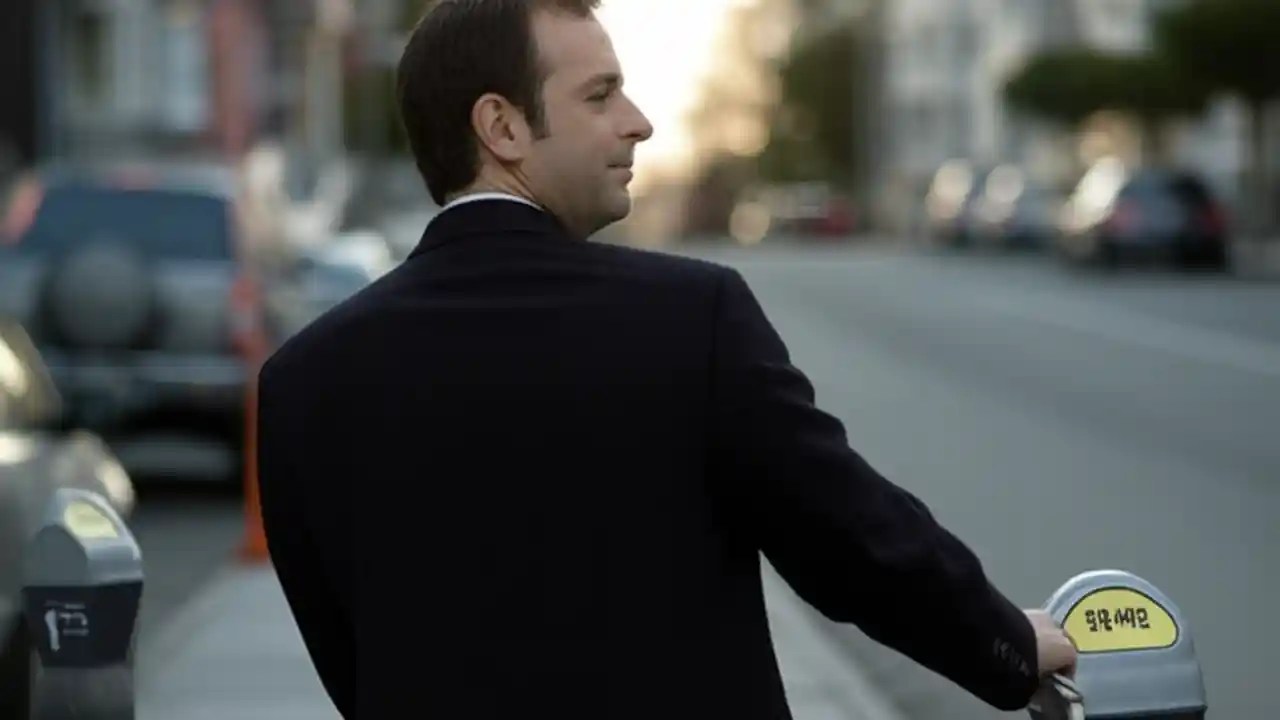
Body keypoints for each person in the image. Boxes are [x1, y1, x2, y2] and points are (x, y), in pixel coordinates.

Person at [254, 0, 1078, 717]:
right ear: (501, 126)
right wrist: (1006, 644)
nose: (639, 121)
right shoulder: (694, 318)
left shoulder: (302, 383)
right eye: (600, 95)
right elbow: (855, 542)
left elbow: (349, 659)